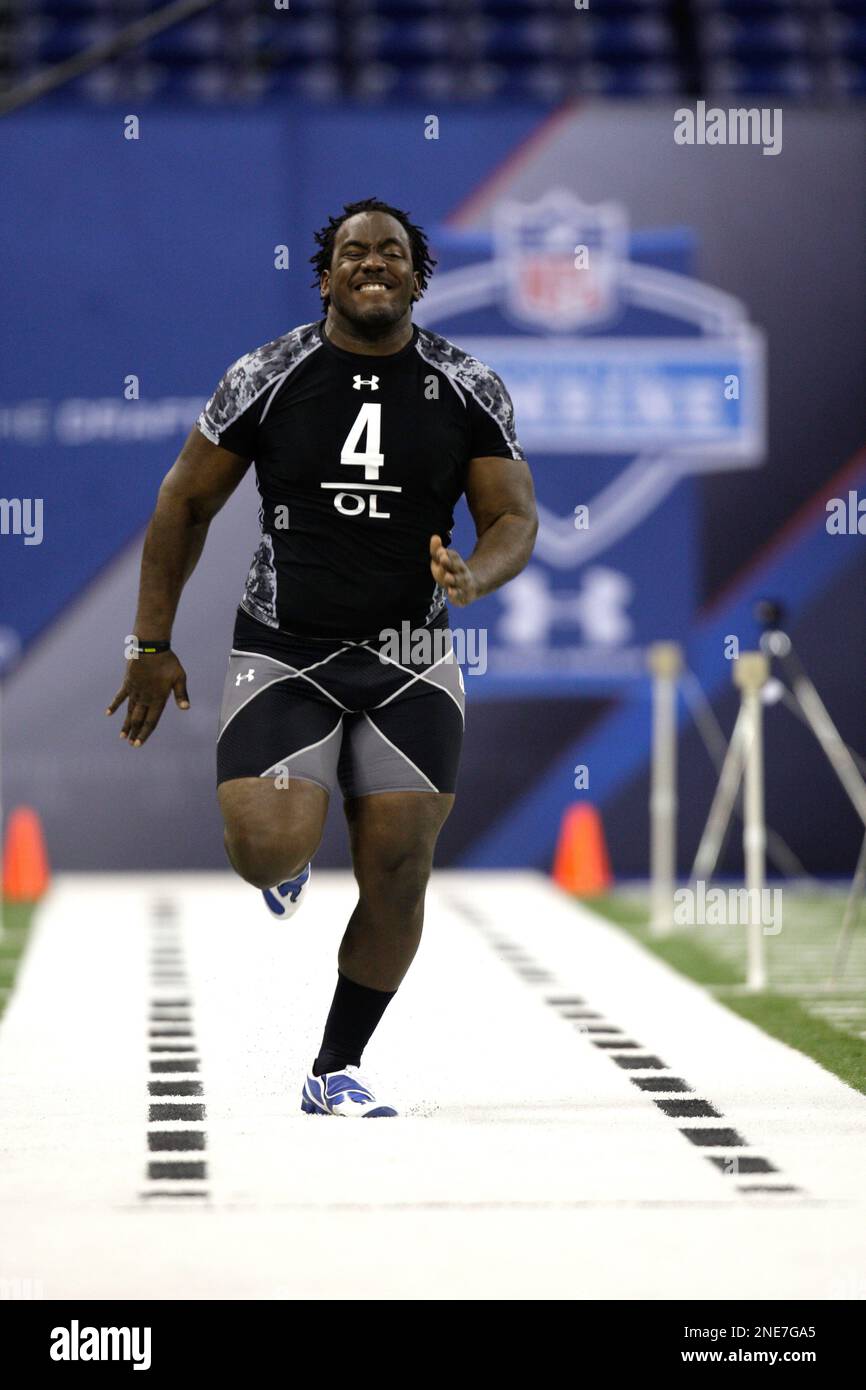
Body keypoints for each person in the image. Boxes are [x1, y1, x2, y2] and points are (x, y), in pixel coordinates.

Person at [106, 197, 537, 1118]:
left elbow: (513, 517)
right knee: (265, 849)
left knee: (398, 866)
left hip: (411, 653)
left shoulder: (469, 385)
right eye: (354, 252)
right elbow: (184, 503)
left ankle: (334, 1067)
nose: (372, 263)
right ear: (327, 274)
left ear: (419, 276)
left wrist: (476, 574)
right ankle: (287, 861)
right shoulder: (269, 371)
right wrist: (150, 643)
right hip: (286, 646)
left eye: (391, 253)